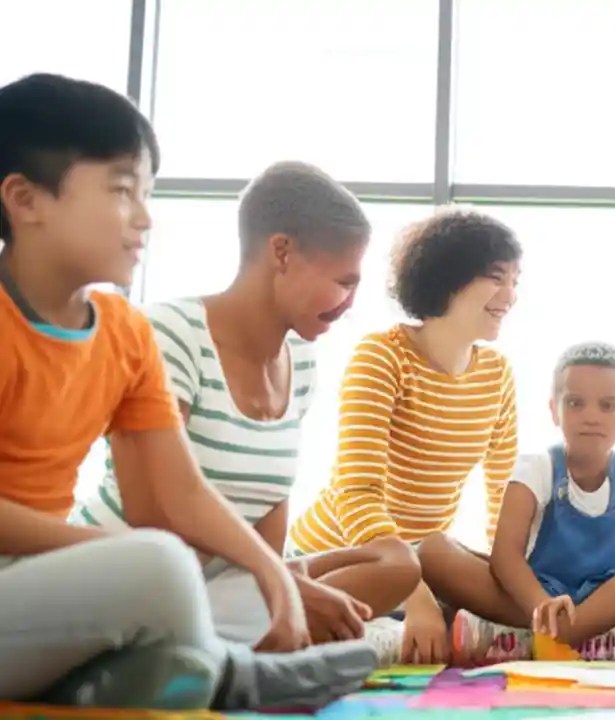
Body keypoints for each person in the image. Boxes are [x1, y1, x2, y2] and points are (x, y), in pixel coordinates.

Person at [0, 73, 374, 710]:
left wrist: (273, 576)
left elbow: (181, 491)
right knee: (158, 566)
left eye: (147, 193)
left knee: (196, 587)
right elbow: (153, 532)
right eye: (121, 190)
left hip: (35, 590)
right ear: (25, 199)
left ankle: (123, 679)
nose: (144, 218)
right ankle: (232, 675)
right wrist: (121, 551)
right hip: (40, 580)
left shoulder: (123, 332)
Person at [71, 161, 420, 656]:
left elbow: (273, 500)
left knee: (399, 563)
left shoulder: (301, 361)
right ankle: (238, 646)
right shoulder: (171, 334)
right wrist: (279, 584)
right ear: (282, 252)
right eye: (343, 282)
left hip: (229, 583)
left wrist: (276, 580)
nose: (349, 303)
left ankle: (247, 641)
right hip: (137, 570)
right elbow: (155, 510)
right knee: (289, 604)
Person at [288, 206, 520, 666]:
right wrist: (414, 594)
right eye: (497, 278)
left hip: (421, 565)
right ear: (449, 277)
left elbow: (504, 499)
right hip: (346, 561)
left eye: (517, 280)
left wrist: (506, 580)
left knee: (476, 595)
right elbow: (356, 494)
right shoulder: (382, 357)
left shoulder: (496, 374)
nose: (510, 296)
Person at [424, 342, 615, 664]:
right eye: (576, 403)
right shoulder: (536, 467)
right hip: (536, 595)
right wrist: (540, 605)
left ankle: (536, 636)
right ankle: (589, 636)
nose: (591, 417)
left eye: (607, 406)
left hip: (605, 599)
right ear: (554, 409)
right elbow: (505, 556)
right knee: (433, 550)